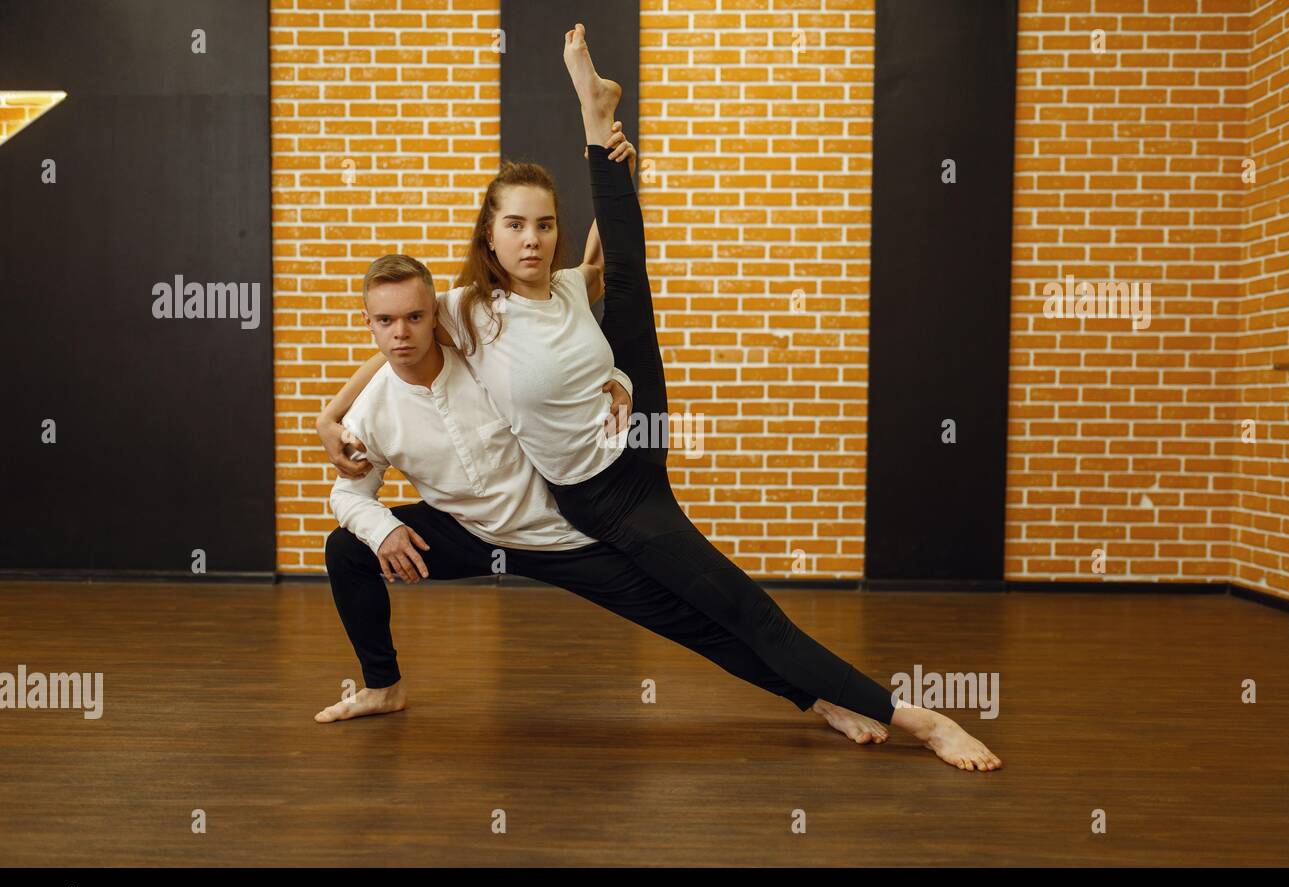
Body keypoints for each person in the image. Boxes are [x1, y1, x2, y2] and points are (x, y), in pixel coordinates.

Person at [319, 25, 1001, 772]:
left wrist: (612, 366)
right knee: (725, 611)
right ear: (489, 236)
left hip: (623, 455)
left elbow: (595, 279)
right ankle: (901, 714)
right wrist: (331, 416)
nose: (532, 239)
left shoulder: (561, 290)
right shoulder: (465, 312)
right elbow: (392, 355)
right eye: (515, 225)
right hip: (590, 506)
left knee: (628, 284)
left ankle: (597, 125)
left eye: (544, 224)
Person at [318, 249, 892, 748]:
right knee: (347, 547)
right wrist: (382, 527)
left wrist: (617, 376)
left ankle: (819, 699)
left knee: (690, 619)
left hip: (560, 532)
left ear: (435, 314)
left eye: (415, 317)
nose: (401, 333)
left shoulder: (483, 351)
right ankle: (382, 686)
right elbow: (349, 491)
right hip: (471, 532)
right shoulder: (369, 410)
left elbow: (568, 339)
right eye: (386, 320)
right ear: (366, 323)